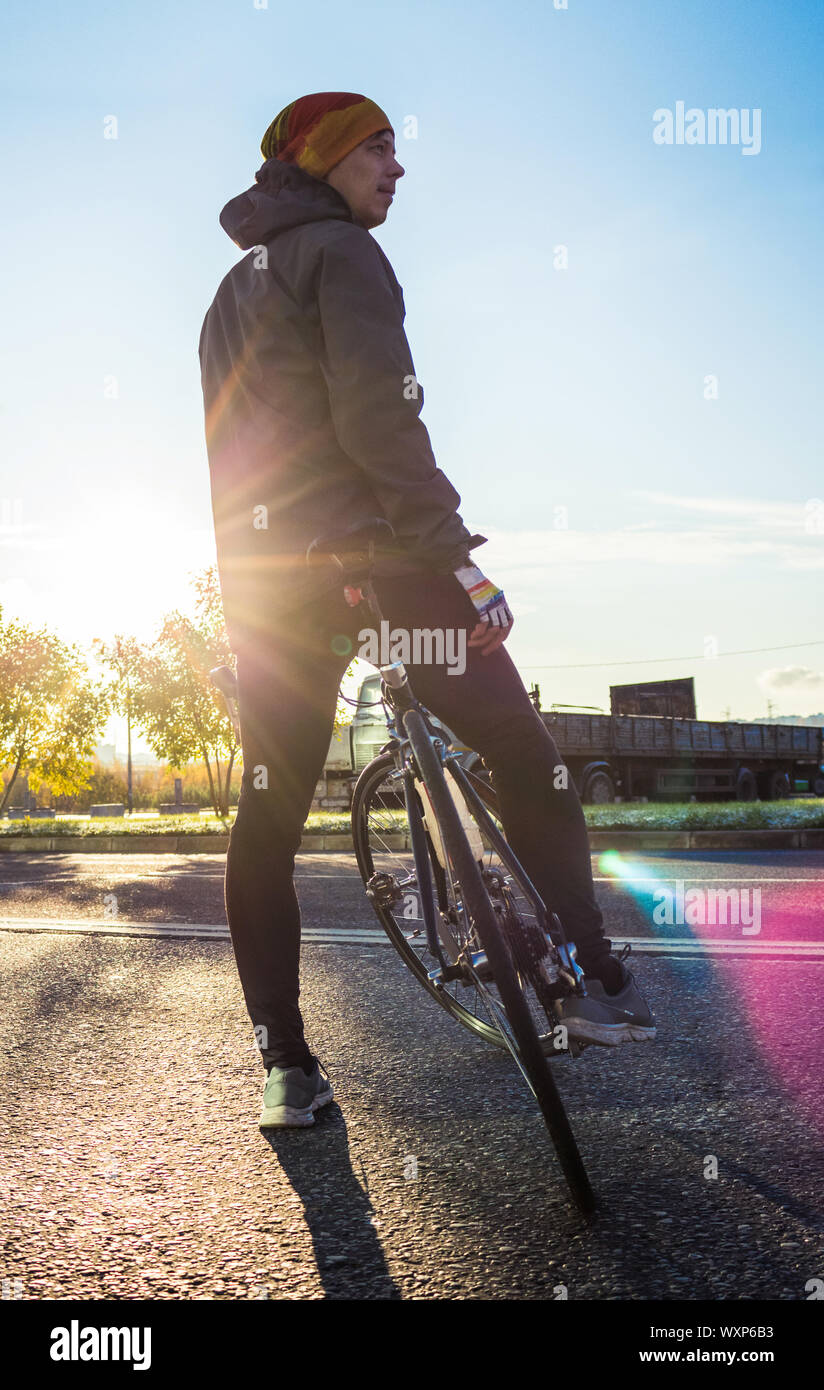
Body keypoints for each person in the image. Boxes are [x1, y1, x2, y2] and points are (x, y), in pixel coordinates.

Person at [199, 92, 655, 1130]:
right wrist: (456, 562)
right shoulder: (342, 253)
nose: (395, 169)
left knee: (266, 811)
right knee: (517, 744)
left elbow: (229, 464)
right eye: (376, 149)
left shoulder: (229, 291)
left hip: (269, 589)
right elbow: (380, 418)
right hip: (379, 559)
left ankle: (285, 1063)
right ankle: (583, 962)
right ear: (322, 159)